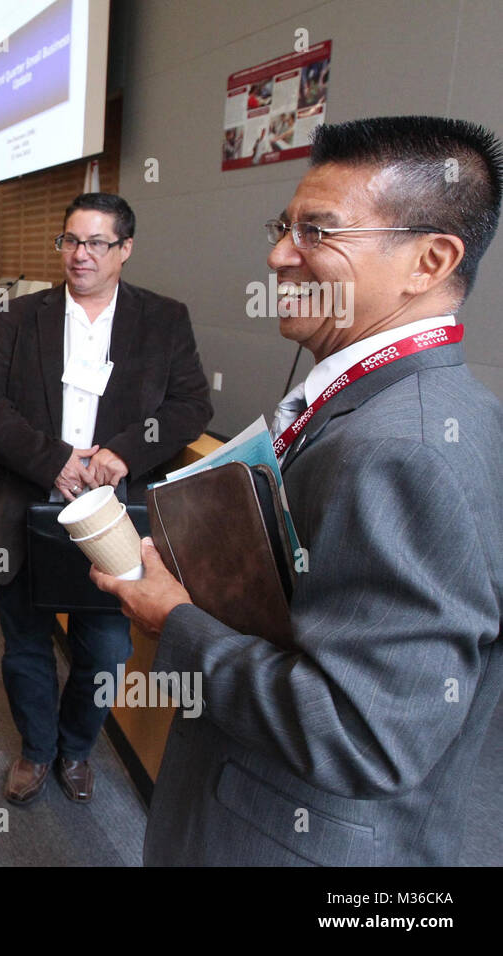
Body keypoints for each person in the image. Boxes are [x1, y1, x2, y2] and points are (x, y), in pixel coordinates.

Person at [93, 116, 503, 866]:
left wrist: (175, 618)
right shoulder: (412, 408)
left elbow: (362, 730)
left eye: (319, 232)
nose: (279, 254)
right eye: (285, 226)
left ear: (430, 259)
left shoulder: (405, 449)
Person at [0, 192, 212, 806]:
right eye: (70, 241)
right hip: (25, 509)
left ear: (124, 249)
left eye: (97, 243)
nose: (80, 255)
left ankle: (76, 747)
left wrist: (125, 451)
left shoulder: (163, 318)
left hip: (113, 518)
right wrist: (55, 459)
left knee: (104, 651)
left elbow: (191, 407)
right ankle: (36, 749)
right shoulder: (20, 316)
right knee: (25, 644)